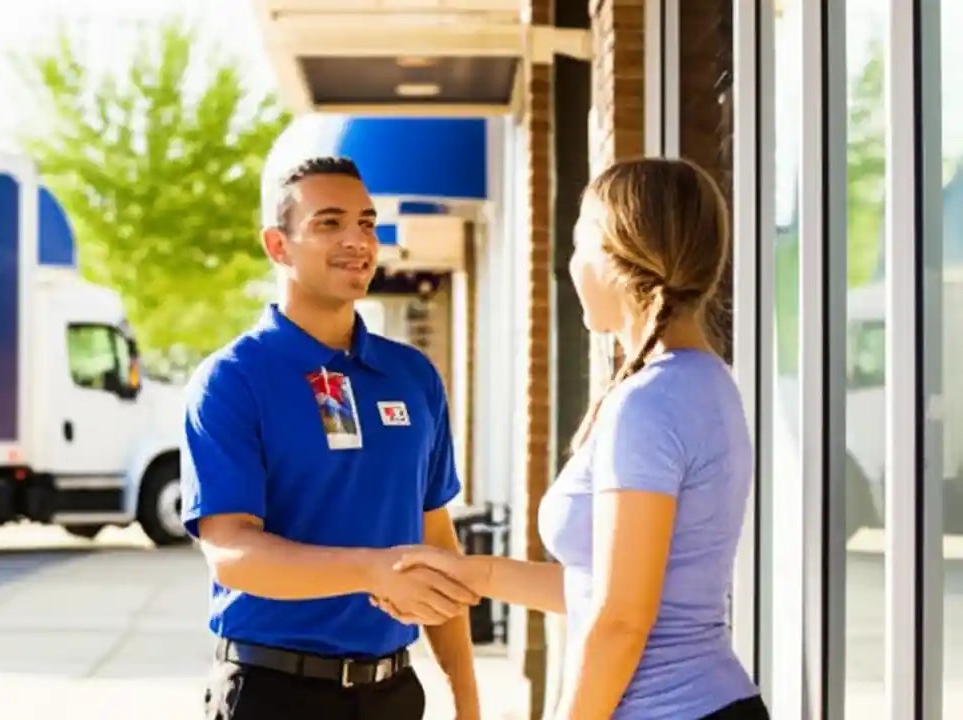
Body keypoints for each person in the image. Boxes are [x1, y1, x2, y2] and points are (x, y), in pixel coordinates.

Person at [382, 157, 770, 719]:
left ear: (619, 258)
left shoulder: (649, 403)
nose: (570, 266)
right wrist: (474, 573)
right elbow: (604, 589)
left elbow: (621, 619)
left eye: (578, 244)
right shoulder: (706, 381)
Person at [181, 156, 482, 720]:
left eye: (367, 223)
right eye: (329, 223)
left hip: (394, 693)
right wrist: (371, 570)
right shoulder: (232, 380)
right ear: (278, 246)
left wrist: (466, 699)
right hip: (274, 694)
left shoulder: (412, 376)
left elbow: (436, 541)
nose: (357, 240)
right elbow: (232, 554)